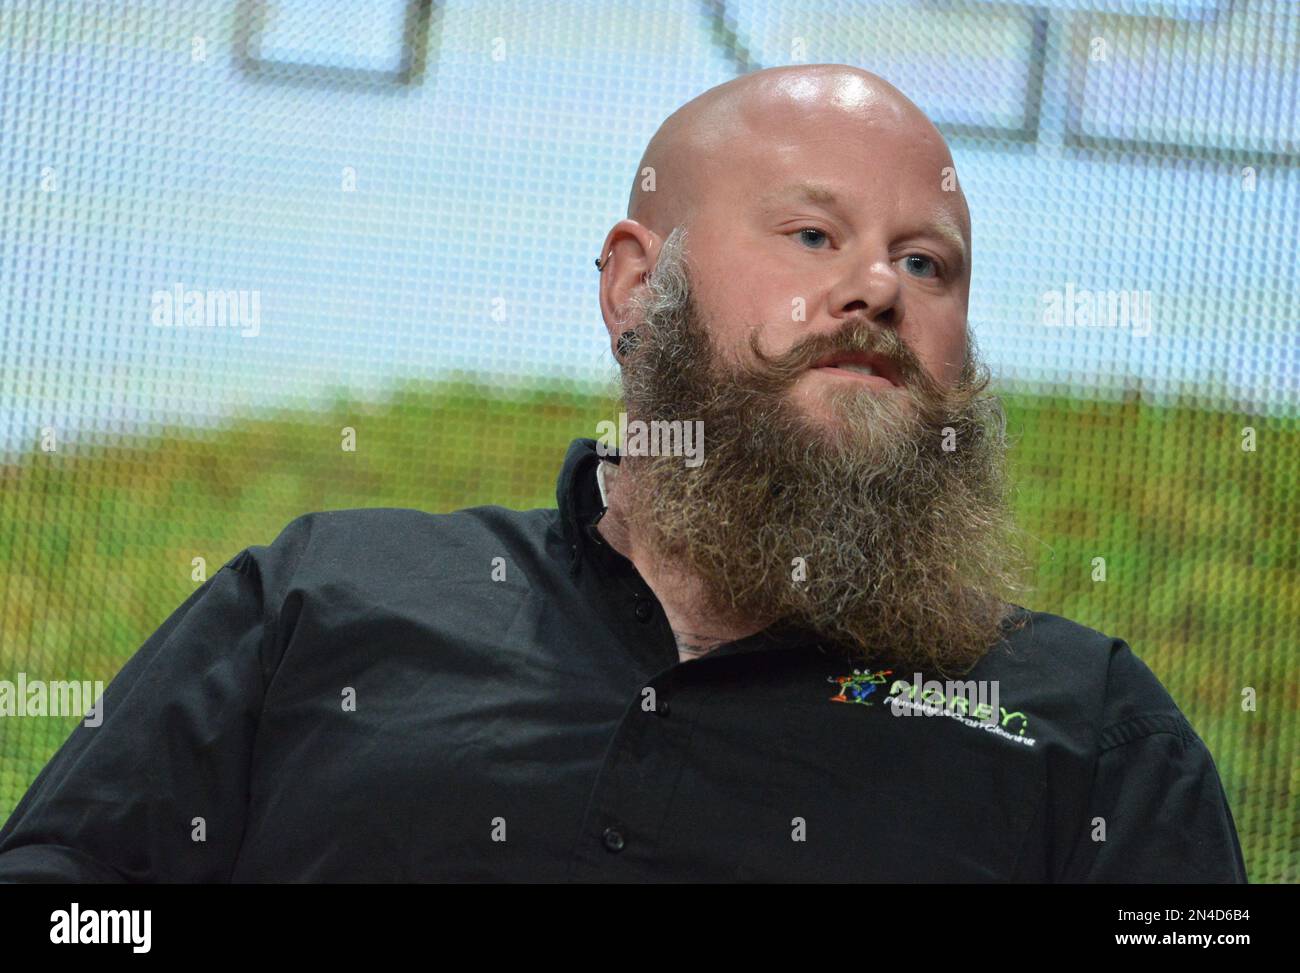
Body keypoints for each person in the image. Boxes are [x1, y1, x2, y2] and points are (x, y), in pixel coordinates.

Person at [0, 64, 1246, 882]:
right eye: (815, 235)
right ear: (634, 285)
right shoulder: (323, 599)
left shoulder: (1090, 734)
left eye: (928, 265)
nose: (878, 286)